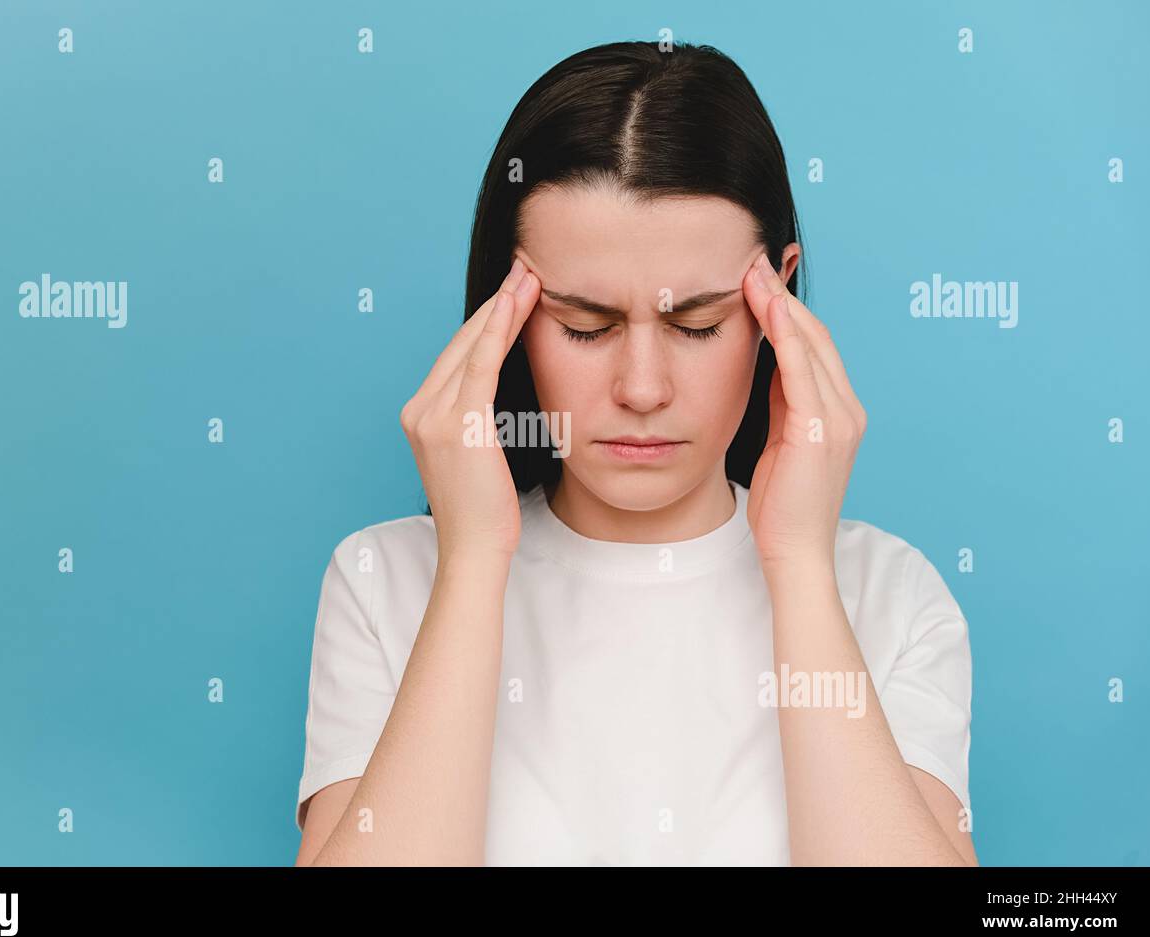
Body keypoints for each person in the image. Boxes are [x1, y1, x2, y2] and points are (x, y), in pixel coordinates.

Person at [294, 40, 975, 866]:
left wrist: (798, 564)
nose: (643, 389)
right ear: (507, 312)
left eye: (697, 326)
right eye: (586, 325)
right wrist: (474, 560)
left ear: (776, 301)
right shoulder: (385, 585)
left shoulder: (889, 598)